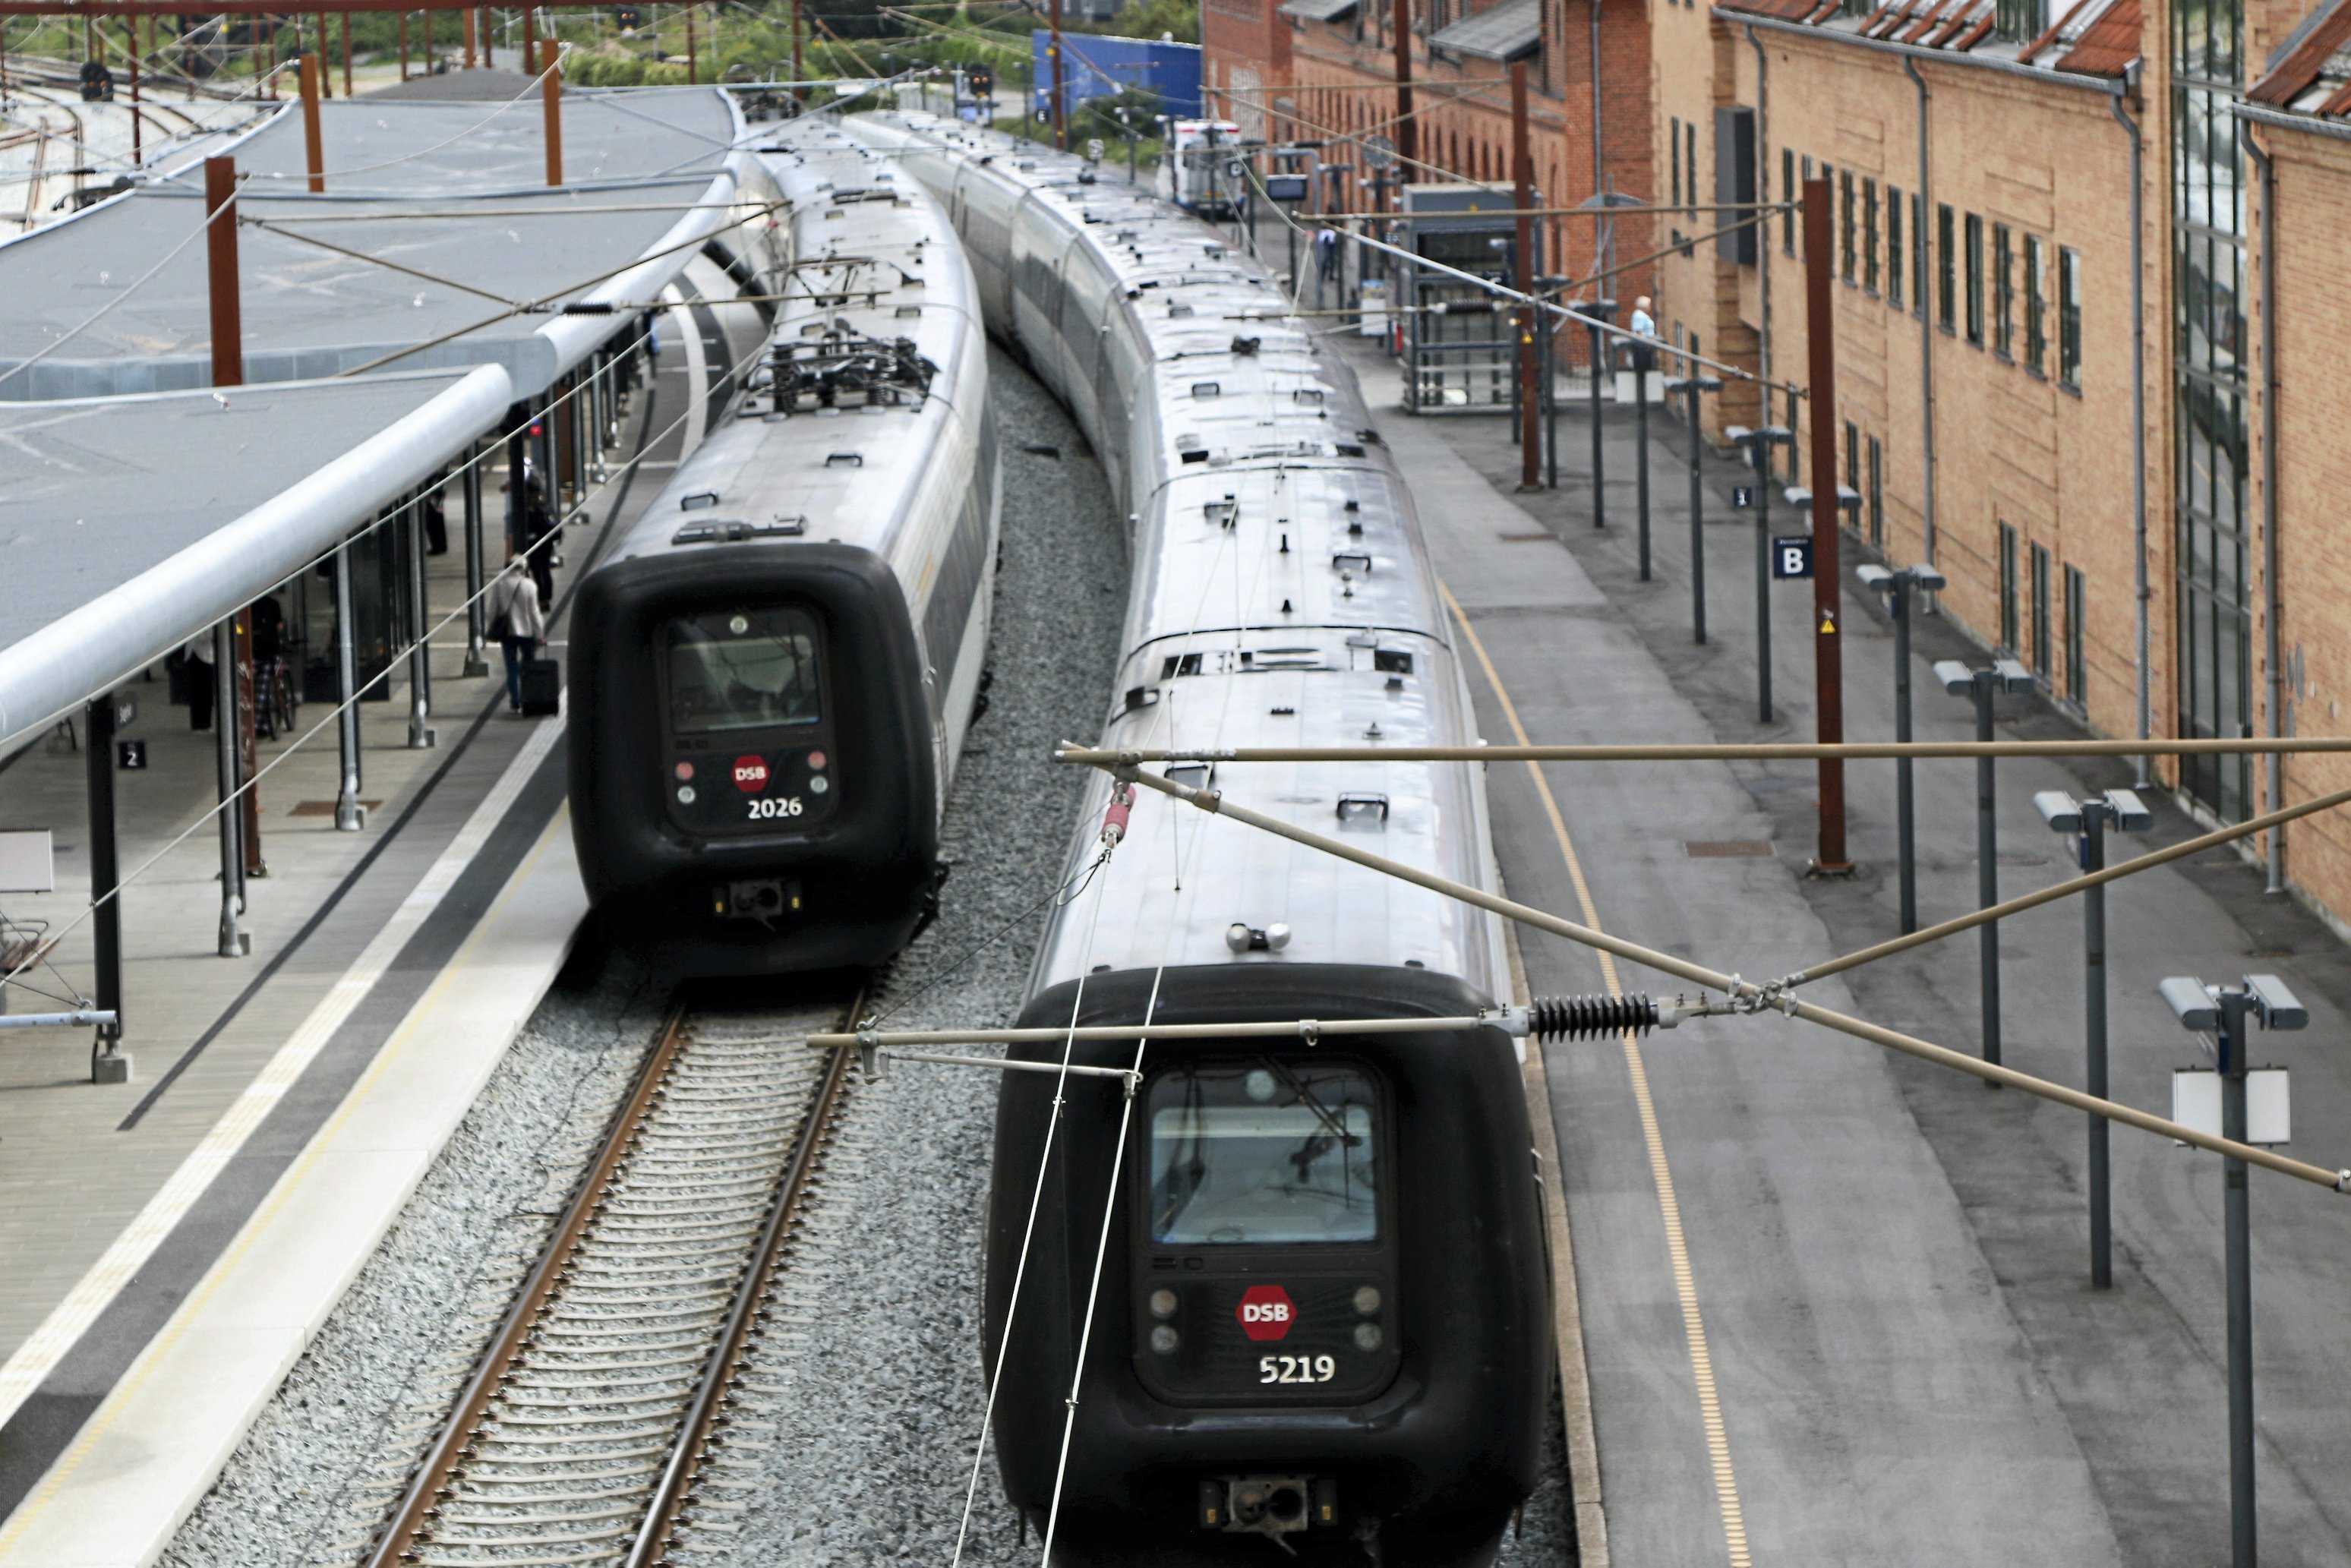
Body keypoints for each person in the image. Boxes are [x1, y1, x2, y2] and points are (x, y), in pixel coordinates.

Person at [485, 558, 547, 714]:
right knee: (529, 665)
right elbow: (534, 613)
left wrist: (490, 627)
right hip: (527, 632)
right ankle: (529, 696)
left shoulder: (500, 584)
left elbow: (492, 610)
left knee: (511, 668)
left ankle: (515, 700)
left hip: (507, 632)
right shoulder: (530, 585)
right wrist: (540, 634)